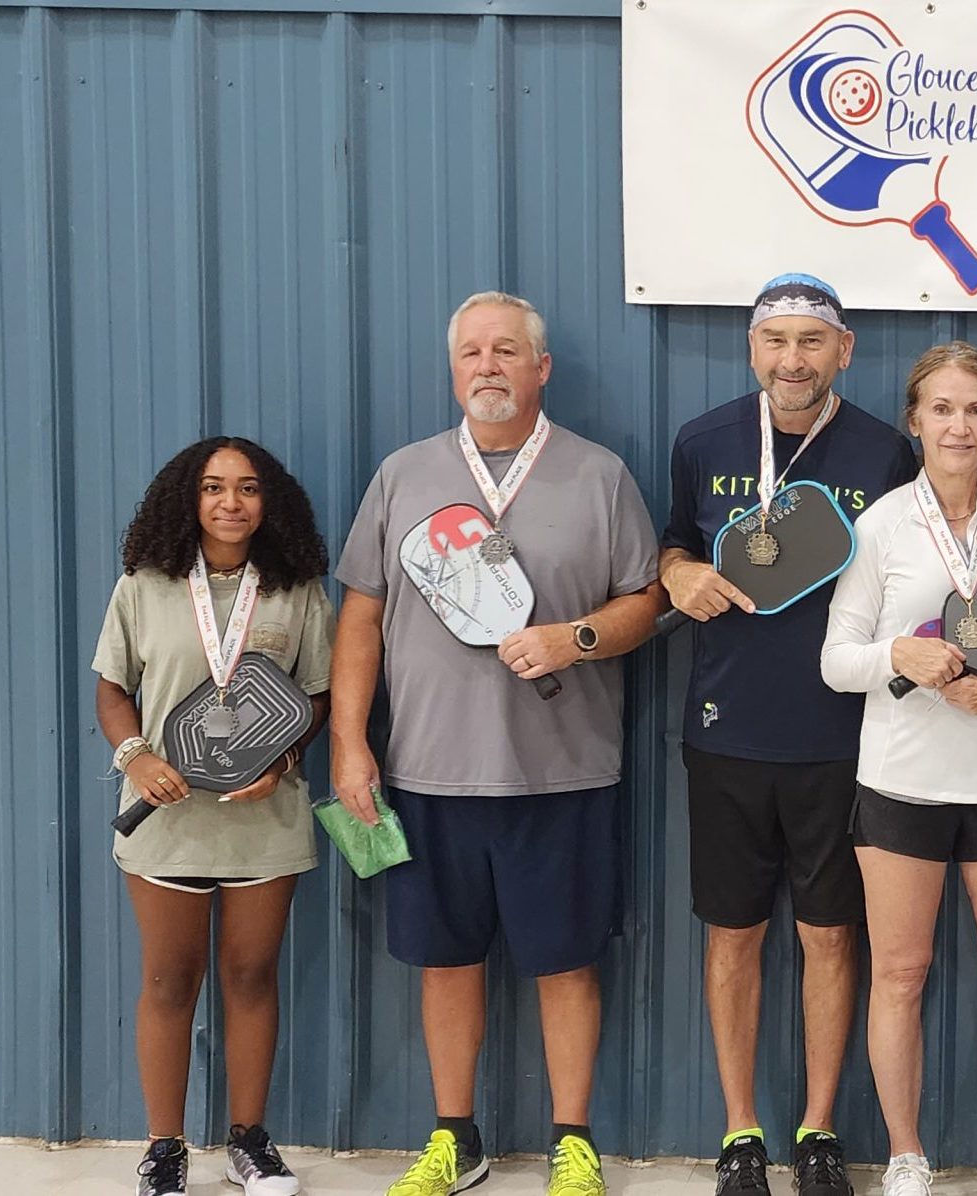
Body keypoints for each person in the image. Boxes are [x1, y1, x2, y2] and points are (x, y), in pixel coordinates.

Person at [329, 291, 661, 1196]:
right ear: (453, 369)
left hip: (565, 771)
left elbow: (646, 599)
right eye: (472, 352)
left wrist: (573, 639)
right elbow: (360, 612)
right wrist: (350, 743)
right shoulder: (403, 474)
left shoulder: (600, 476)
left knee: (565, 961)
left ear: (540, 369)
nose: (488, 366)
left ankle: (572, 1142)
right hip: (429, 772)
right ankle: (455, 1137)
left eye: (507, 351)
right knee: (445, 963)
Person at [661, 274, 915, 1196]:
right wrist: (676, 569)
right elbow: (668, 547)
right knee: (731, 936)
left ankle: (817, 1131)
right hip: (724, 732)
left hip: (844, 738)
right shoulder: (704, 441)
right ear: (752, 349)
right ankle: (739, 1135)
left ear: (843, 351)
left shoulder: (886, 452)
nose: (792, 359)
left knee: (832, 937)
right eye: (776, 341)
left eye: (812, 341)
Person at [822, 341, 977, 1196]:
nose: (957, 424)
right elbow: (834, 659)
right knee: (898, 976)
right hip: (899, 787)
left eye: (973, 409)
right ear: (914, 421)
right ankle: (905, 1157)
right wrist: (899, 652)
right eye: (941, 408)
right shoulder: (881, 525)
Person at [93, 436, 334, 1196]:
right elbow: (111, 686)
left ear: (271, 502)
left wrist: (283, 762)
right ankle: (164, 1149)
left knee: (252, 974)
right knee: (169, 979)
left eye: (249, 487)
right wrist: (135, 755)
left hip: (265, 820)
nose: (231, 502)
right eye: (213, 487)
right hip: (164, 818)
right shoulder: (144, 584)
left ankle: (248, 1142)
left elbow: (320, 695)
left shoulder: (297, 589)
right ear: (187, 499)